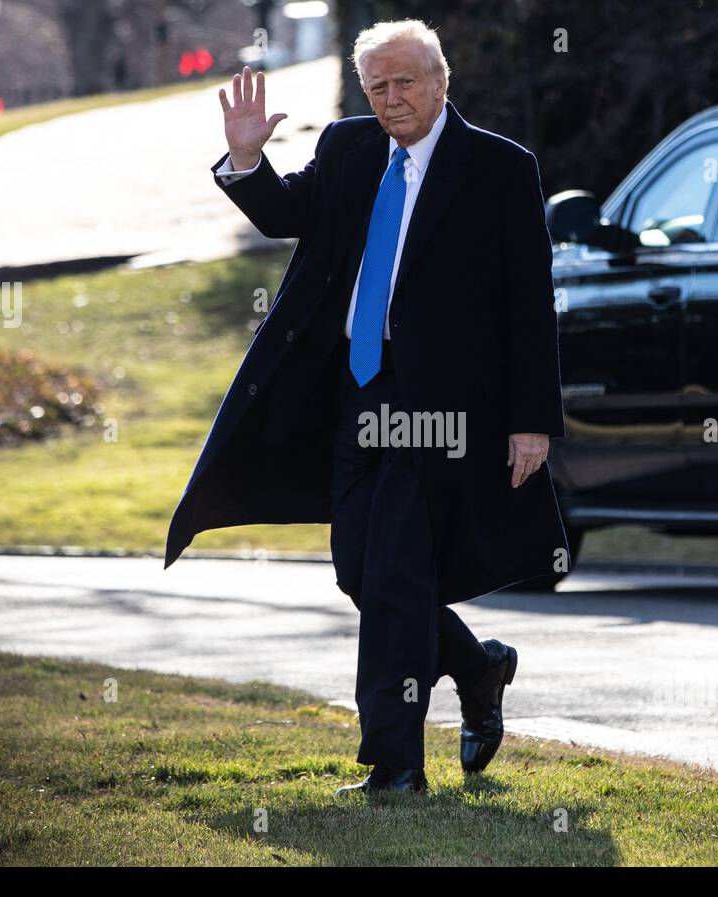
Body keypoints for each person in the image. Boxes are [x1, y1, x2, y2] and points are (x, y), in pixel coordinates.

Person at [165, 19, 567, 794]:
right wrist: (247, 158)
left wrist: (531, 420)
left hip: (444, 412)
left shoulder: (498, 169)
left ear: (442, 80)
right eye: (377, 86)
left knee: (395, 571)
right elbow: (287, 215)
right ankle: (478, 669)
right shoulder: (349, 149)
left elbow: (529, 306)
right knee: (362, 571)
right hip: (357, 395)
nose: (391, 99)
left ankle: (395, 765)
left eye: (405, 82)